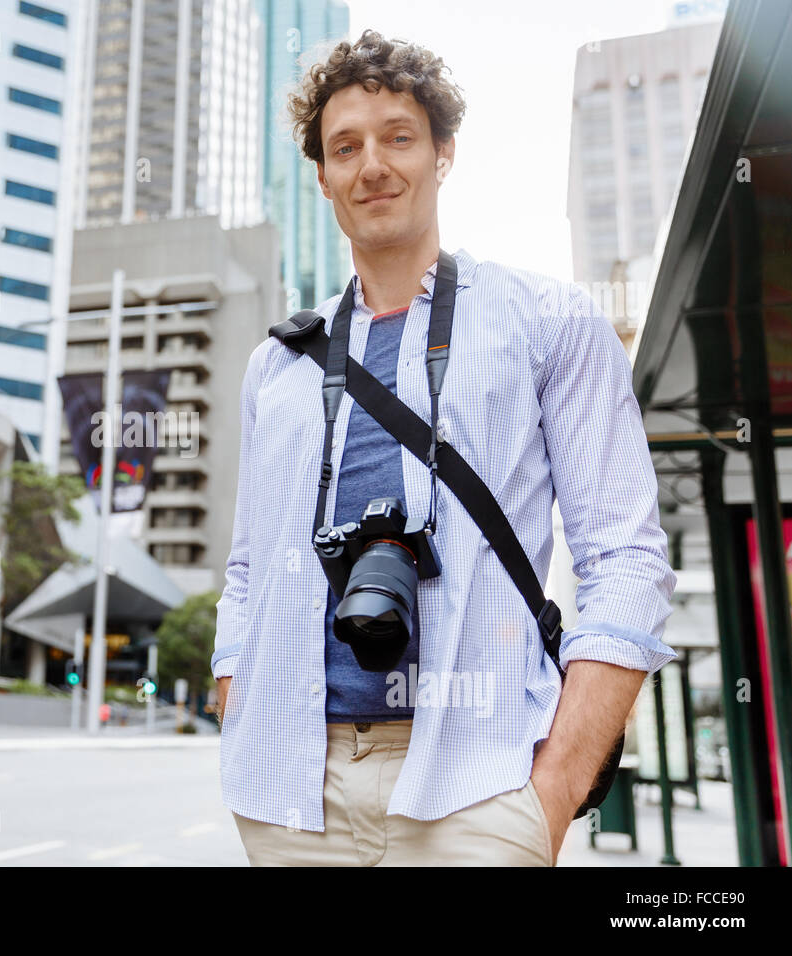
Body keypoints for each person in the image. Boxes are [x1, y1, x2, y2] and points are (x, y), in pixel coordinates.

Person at [211, 29, 676, 866]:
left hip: (482, 784)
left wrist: (554, 791)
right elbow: (248, 568)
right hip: (288, 792)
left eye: (399, 137)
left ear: (443, 152)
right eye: (344, 147)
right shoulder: (276, 366)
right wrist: (234, 696)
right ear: (321, 175)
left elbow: (628, 560)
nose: (372, 166)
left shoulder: (551, 322)